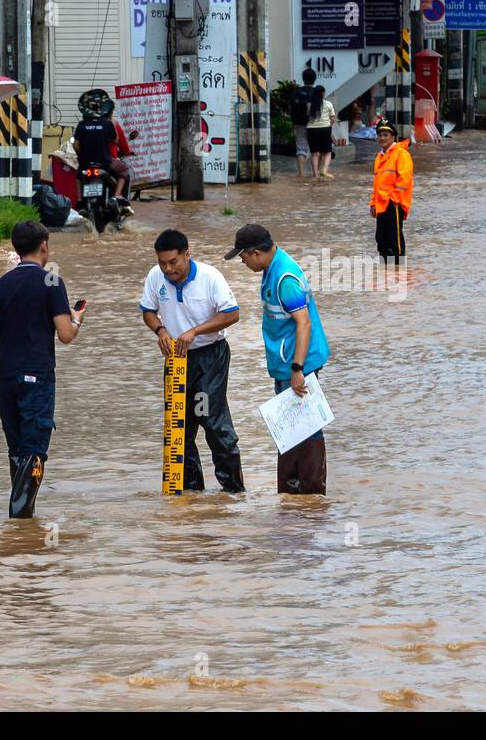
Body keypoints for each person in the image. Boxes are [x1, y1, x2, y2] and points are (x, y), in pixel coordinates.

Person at [0, 221, 85, 518]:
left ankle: (22, 524)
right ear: (44, 245)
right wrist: (77, 318)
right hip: (37, 377)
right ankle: (18, 521)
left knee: (18, 449)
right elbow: (66, 335)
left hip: (3, 378)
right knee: (34, 449)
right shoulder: (52, 281)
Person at [225, 224, 331, 495]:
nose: (243, 261)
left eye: (243, 256)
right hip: (286, 360)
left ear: (257, 253)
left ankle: (311, 495)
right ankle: (292, 496)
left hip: (297, 362)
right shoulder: (272, 268)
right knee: (291, 427)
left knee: (305, 427)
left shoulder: (284, 278)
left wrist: (297, 369)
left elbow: (303, 323)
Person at [140, 228, 245, 493]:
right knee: (179, 427)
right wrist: (160, 330)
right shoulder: (156, 277)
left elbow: (232, 314)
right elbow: (148, 311)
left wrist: (195, 331)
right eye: (162, 262)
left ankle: (233, 492)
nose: (167, 269)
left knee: (212, 421)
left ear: (187, 255)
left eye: (173, 262)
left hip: (210, 356)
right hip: (176, 358)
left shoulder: (210, 277)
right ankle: (190, 496)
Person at [73, 89, 131, 210]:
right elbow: (116, 141)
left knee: (78, 175)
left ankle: (79, 199)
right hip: (105, 163)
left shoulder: (81, 125)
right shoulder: (108, 124)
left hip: (86, 164)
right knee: (124, 170)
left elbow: (76, 146)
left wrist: (81, 155)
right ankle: (117, 195)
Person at [369, 121, 413, 266]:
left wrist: (394, 199)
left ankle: (399, 270)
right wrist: (373, 203)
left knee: (395, 239)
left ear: (393, 137)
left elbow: (404, 179)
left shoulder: (401, 154)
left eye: (385, 135)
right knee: (381, 238)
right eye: (380, 135)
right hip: (381, 204)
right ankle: (386, 271)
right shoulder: (380, 156)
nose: (382, 138)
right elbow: (377, 182)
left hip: (394, 203)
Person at [290, 68, 321, 178]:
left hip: (300, 124)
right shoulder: (317, 93)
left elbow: (292, 110)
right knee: (316, 149)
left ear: (303, 79)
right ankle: (316, 173)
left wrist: (293, 124)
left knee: (301, 148)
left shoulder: (297, 92)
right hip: (315, 125)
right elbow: (320, 111)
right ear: (314, 79)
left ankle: (301, 174)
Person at [306, 85, 336, 179]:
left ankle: (315, 175)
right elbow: (332, 119)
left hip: (311, 130)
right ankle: (324, 170)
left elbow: (307, 117)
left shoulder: (309, 105)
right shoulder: (328, 104)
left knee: (315, 153)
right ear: (323, 93)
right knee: (327, 152)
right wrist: (328, 127)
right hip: (324, 129)